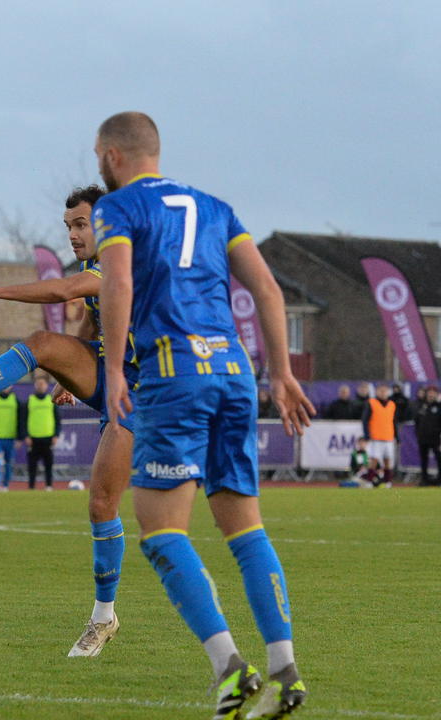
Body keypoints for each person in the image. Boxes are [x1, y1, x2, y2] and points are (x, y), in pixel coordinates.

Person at [94, 111, 312, 718]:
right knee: (245, 530)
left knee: (163, 535)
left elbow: (117, 284)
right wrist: (283, 372)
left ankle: (229, 668)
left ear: (112, 155)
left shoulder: (120, 208)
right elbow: (268, 290)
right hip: (235, 372)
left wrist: (114, 367)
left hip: (174, 371)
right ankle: (284, 670)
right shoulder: (217, 208)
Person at [0, 184, 136, 657]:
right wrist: (70, 368)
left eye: (81, 225)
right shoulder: (93, 265)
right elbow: (93, 321)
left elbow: (64, 290)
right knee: (42, 343)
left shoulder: (123, 259)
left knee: (103, 506)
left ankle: (104, 617)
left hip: (148, 393)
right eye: (69, 227)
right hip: (112, 377)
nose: (74, 235)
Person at [21, 377, 60, 490]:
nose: (41, 386)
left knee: (48, 464)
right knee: (32, 465)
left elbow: (57, 419)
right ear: (35, 386)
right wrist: (26, 435)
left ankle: (48, 485)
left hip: (48, 437)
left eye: (43, 384)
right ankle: (31, 486)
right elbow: (24, 420)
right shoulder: (30, 400)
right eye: (38, 384)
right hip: (33, 438)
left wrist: (56, 435)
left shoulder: (51, 400)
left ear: (47, 386)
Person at [362, 384, 397, 487]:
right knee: (374, 460)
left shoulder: (392, 404)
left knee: (387, 460)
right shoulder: (372, 403)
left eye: (385, 391)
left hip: (389, 437)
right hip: (376, 437)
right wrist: (366, 434)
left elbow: (394, 421)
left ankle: (388, 482)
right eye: (380, 391)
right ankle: (369, 481)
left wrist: (397, 437)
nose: (383, 393)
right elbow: (365, 420)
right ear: (376, 392)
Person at [414, 386, 441, 486]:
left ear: (436, 394)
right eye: (429, 392)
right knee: (424, 459)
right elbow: (417, 421)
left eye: (433, 392)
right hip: (423, 438)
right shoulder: (421, 406)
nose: (431, 394)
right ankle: (424, 479)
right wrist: (418, 434)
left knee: (439, 459)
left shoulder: (439, 406)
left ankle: (439, 480)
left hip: (436, 438)